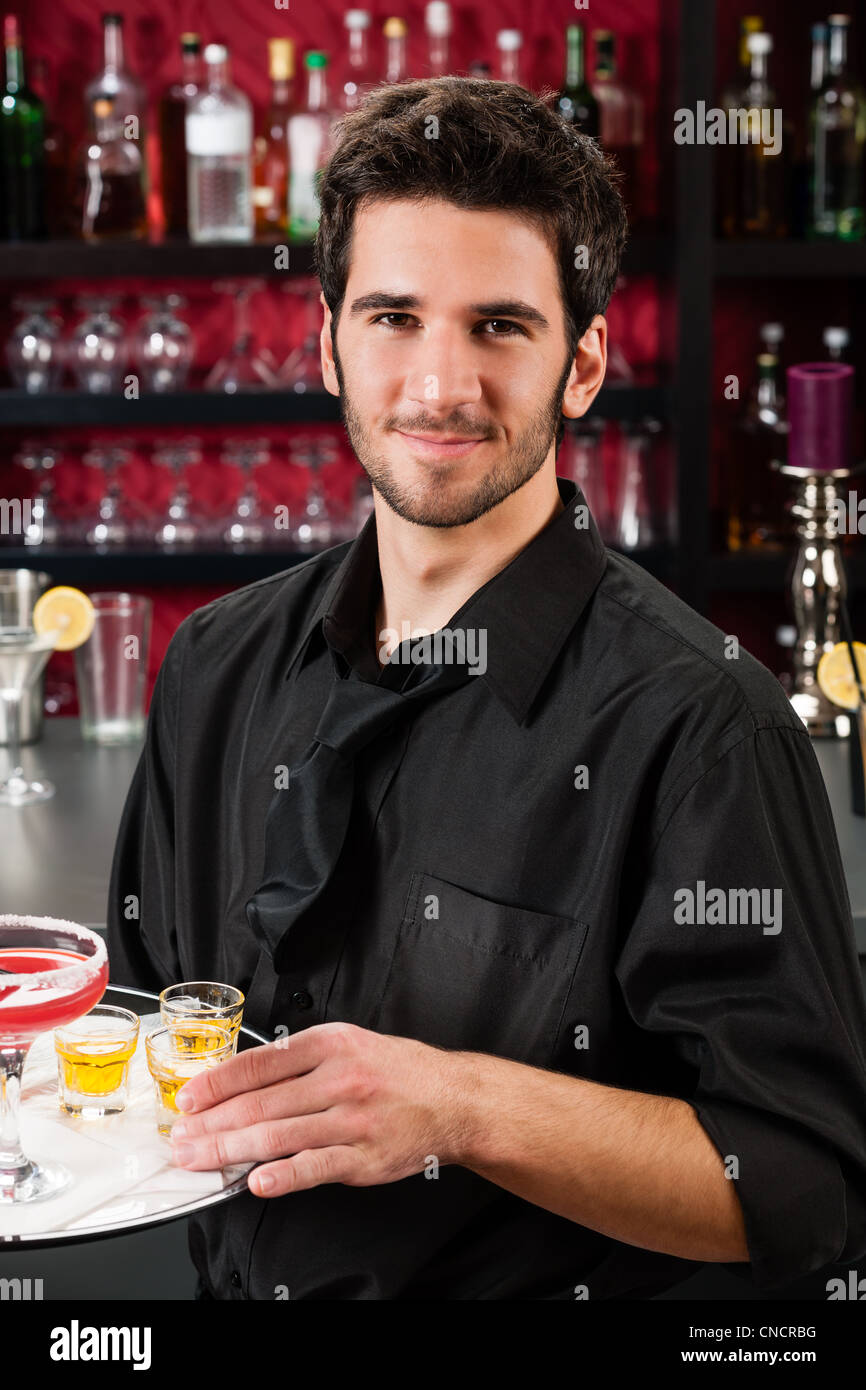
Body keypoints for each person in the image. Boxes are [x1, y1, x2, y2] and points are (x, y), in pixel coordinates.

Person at [107, 76, 866, 1301]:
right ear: (327, 343)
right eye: (394, 317)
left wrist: (458, 1105)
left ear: (580, 364)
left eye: (499, 326)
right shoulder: (215, 662)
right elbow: (148, 1021)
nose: (438, 386)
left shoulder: (700, 723)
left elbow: (799, 1187)